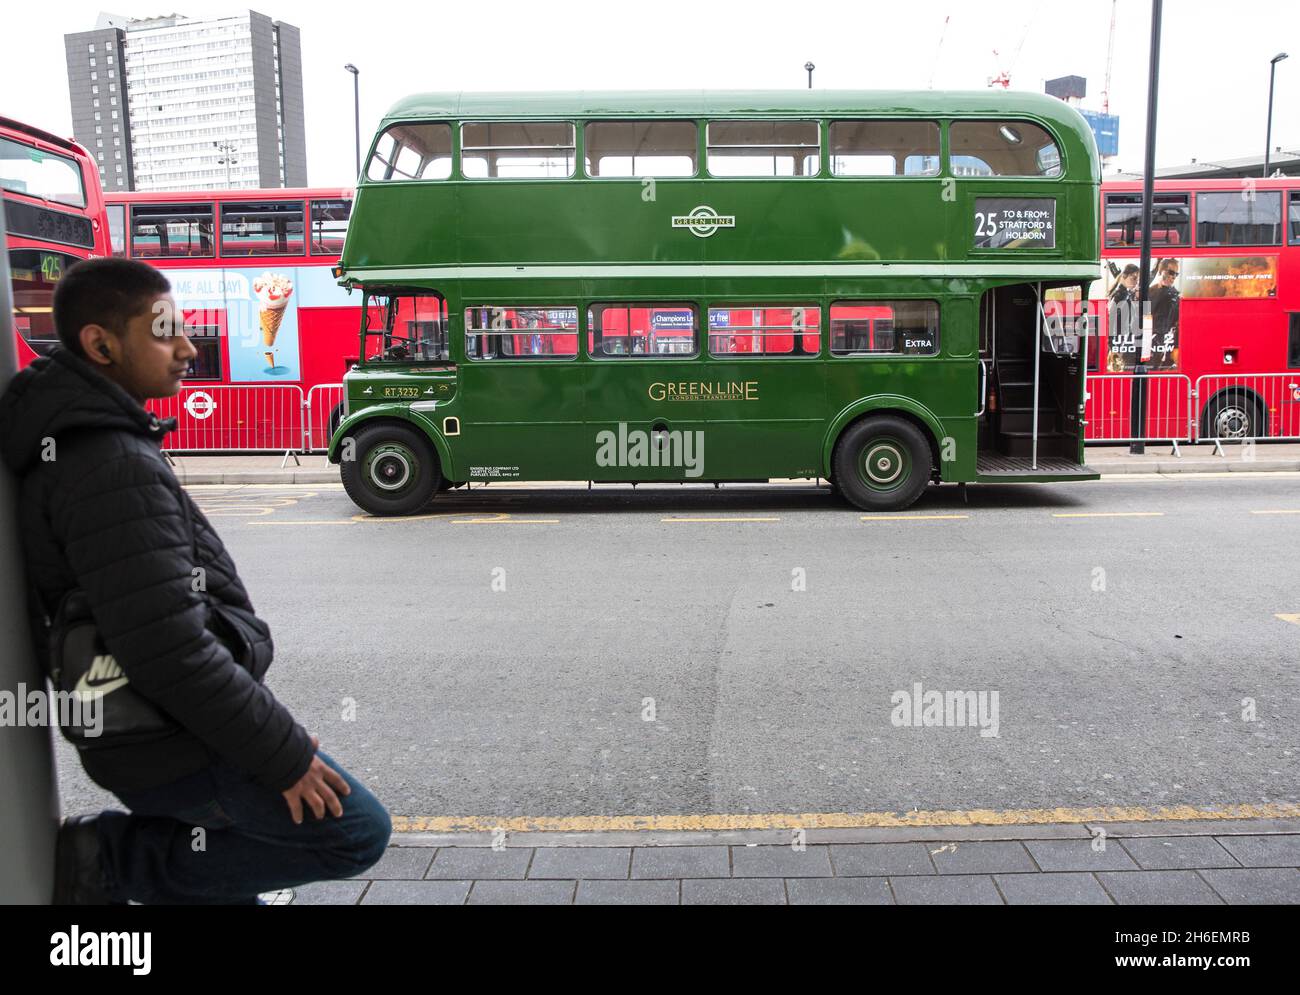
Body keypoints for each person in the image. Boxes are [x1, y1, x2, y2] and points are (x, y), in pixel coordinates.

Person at [0, 257, 391, 904]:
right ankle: (107, 861)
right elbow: (169, 649)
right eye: (165, 331)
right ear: (101, 344)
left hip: (151, 732)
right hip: (174, 740)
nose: (188, 348)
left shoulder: (93, 442)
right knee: (352, 831)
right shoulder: (108, 464)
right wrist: (284, 753)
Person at [1147, 257, 1181, 371]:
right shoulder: (1150, 291)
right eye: (1171, 273)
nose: (1174, 277)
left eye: (1177, 274)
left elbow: (1178, 321)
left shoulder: (1176, 295)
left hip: (1168, 340)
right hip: (1151, 339)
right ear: (1162, 271)